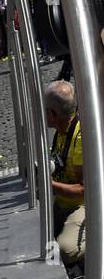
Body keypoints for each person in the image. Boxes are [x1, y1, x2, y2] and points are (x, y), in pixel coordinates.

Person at [44, 81, 85, 267]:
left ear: (52, 114)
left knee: (65, 250)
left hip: (83, 206)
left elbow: (84, 191)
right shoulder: (61, 130)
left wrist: (49, 184)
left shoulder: (80, 138)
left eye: (45, 110)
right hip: (63, 202)